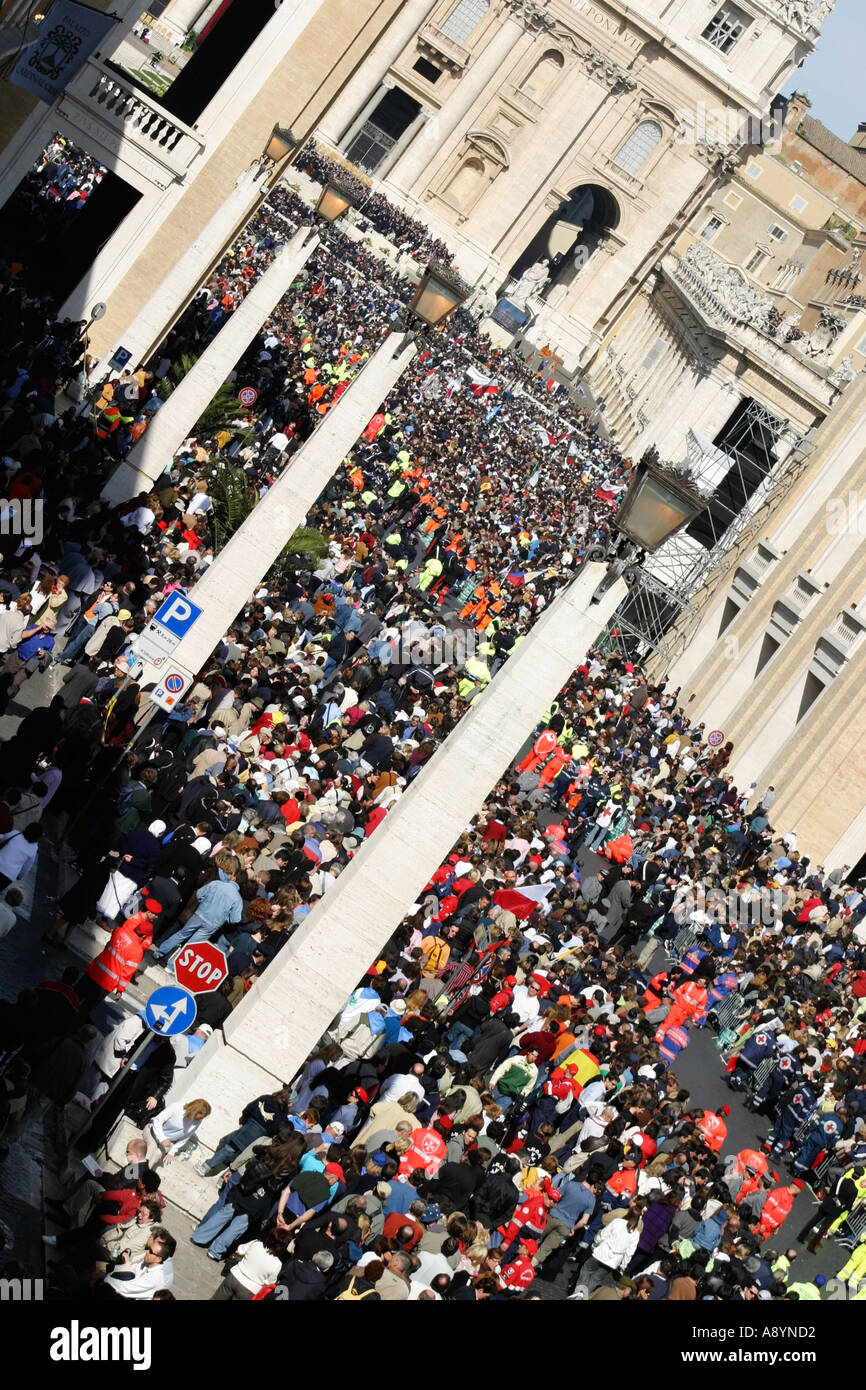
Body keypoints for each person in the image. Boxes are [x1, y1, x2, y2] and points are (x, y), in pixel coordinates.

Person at [102, 1227, 176, 1298]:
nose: (147, 1252)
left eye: (151, 1251)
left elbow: (125, 1288)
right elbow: (128, 1270)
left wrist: (105, 1278)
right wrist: (105, 1273)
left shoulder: (155, 1278)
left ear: (158, 1259)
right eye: (149, 1249)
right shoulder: (147, 1262)